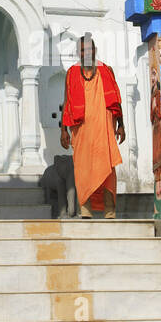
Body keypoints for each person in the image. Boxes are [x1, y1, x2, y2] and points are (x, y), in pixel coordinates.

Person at [60, 35, 124, 218]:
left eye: (88, 49)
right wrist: (63, 129)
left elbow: (116, 100)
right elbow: (67, 101)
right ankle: (85, 210)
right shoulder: (72, 72)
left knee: (107, 168)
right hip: (81, 129)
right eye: (82, 50)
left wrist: (121, 125)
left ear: (94, 50)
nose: (86, 53)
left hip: (104, 127)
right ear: (78, 53)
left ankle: (110, 211)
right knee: (83, 168)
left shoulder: (106, 70)